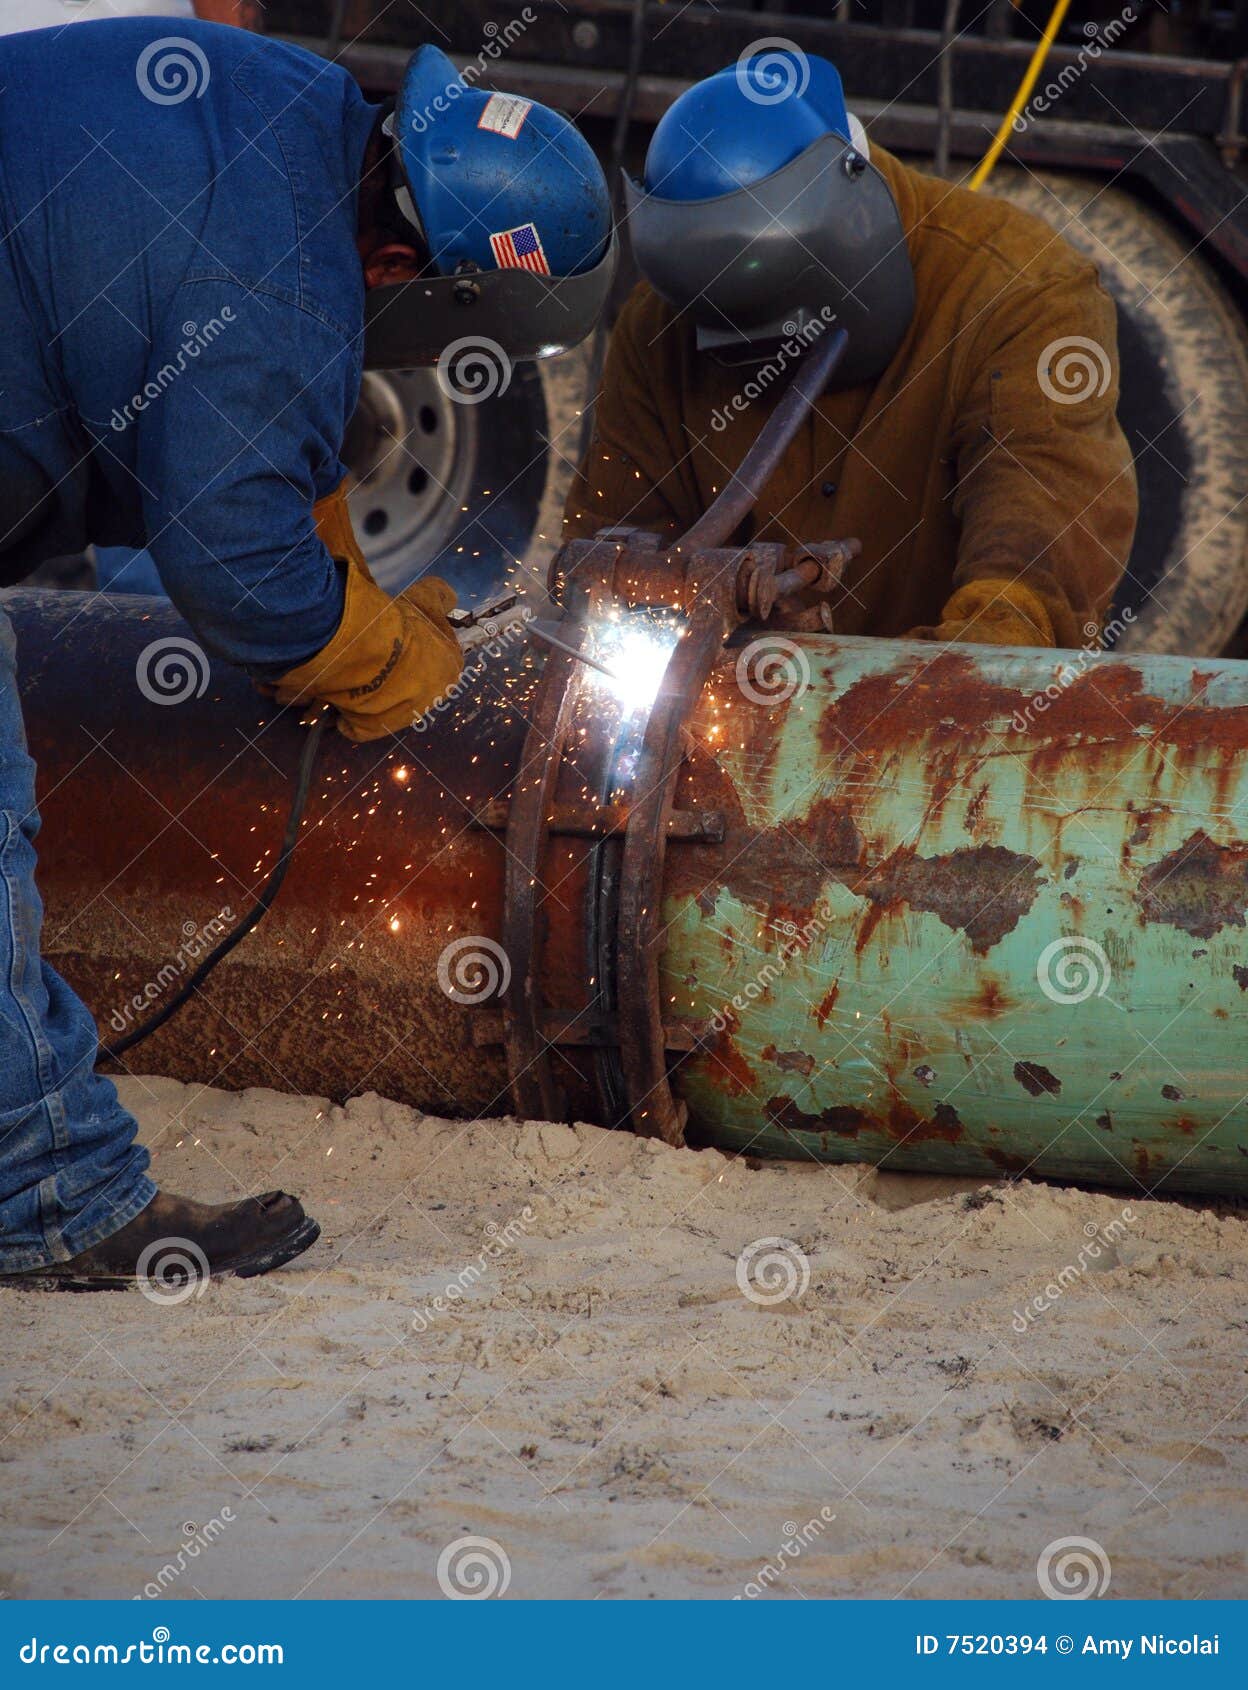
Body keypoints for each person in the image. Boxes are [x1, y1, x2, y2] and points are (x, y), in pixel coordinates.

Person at [0, 22, 613, 1287]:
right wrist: (379, 655)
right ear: (431, 278)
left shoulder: (306, 105)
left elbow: (237, 391)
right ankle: (53, 1200)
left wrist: (328, 539)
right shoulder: (287, 279)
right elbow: (233, 564)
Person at [565, 52, 1137, 649]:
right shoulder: (662, 319)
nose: (762, 358)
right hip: (728, 704)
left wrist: (966, 675)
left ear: (853, 228)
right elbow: (616, 539)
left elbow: (1038, 528)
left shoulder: (1021, 291)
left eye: (774, 308)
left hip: (928, 700)